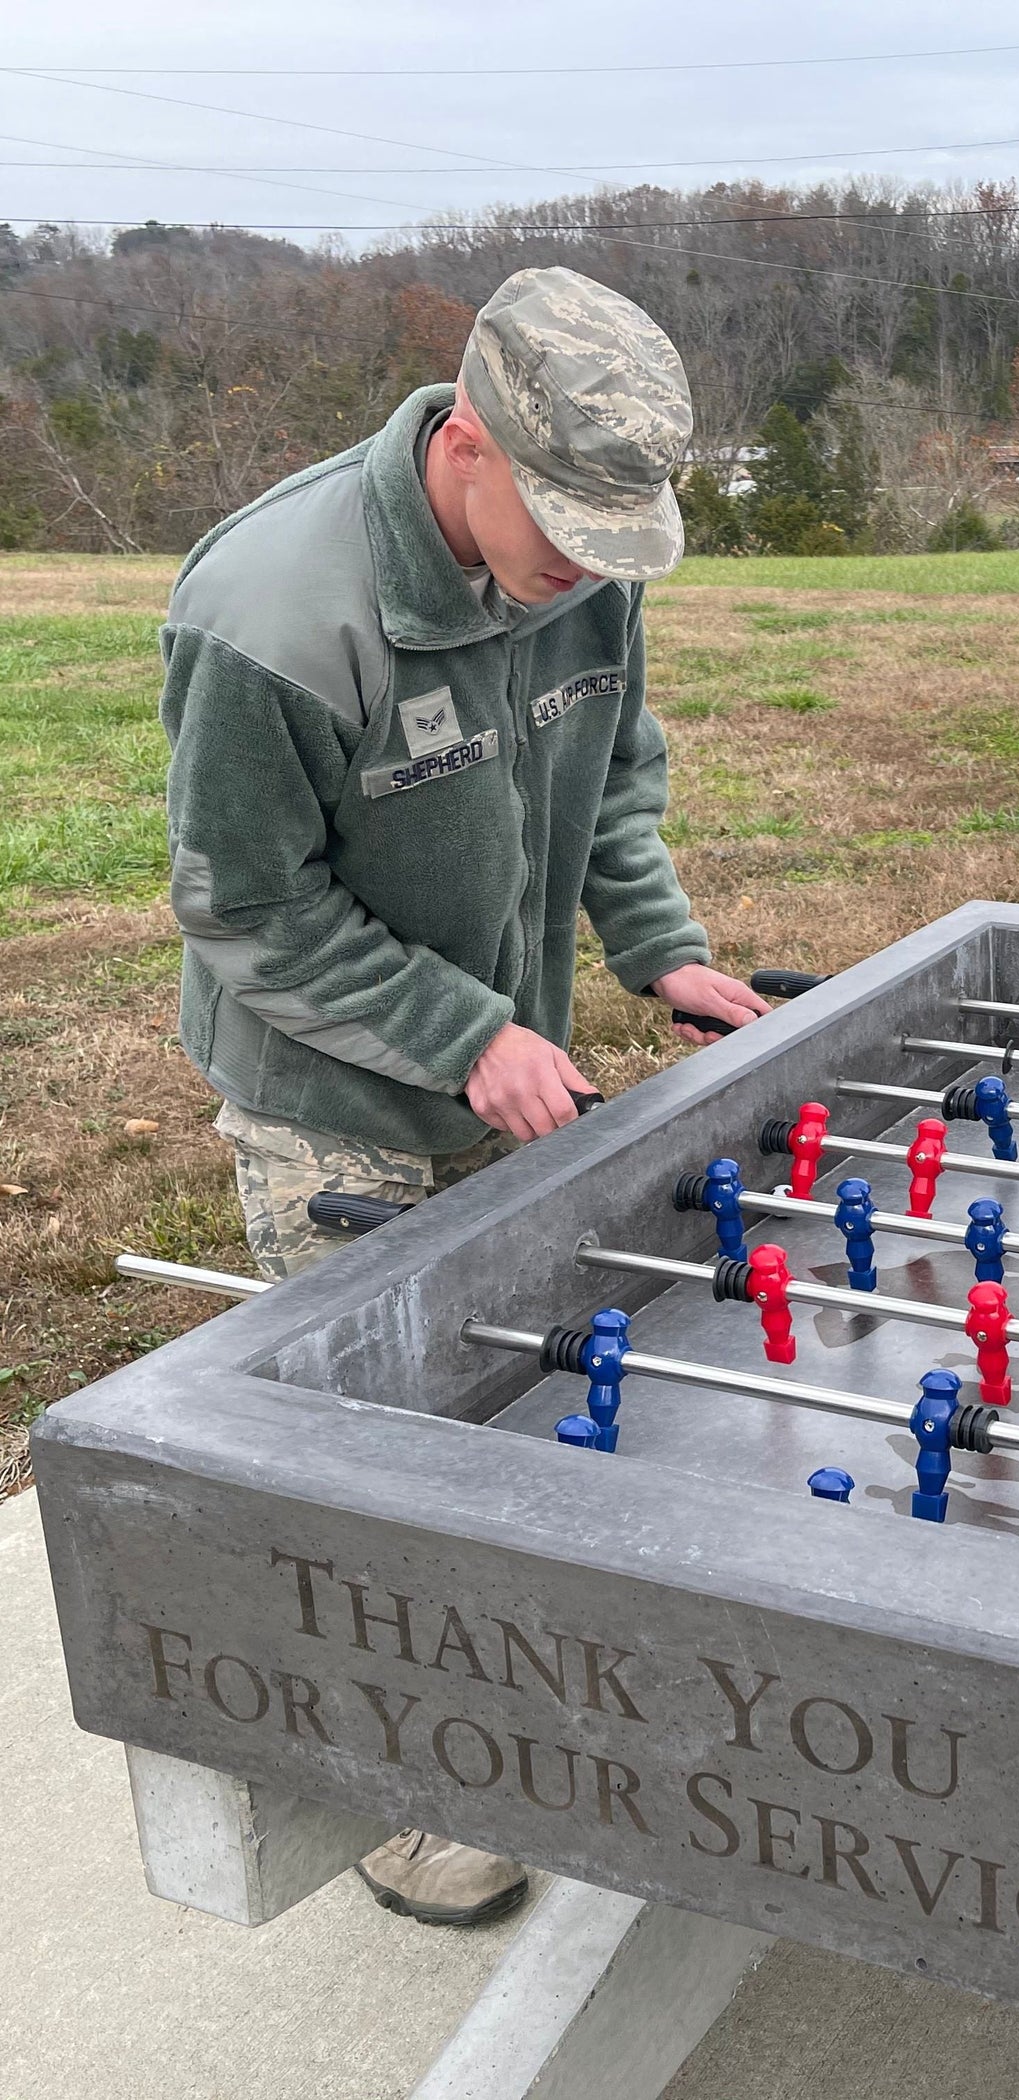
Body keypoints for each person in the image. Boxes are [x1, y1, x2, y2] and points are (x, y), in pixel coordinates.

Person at [159, 265, 766, 1926]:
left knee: (503, 1417)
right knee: (362, 1465)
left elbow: (614, 781)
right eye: (565, 518)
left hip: (511, 1075)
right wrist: (461, 1031)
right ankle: (395, 1797)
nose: (590, 562)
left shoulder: (582, 573)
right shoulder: (276, 613)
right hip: (331, 1099)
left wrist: (662, 952)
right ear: (470, 442)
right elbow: (244, 907)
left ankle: (524, 1705)